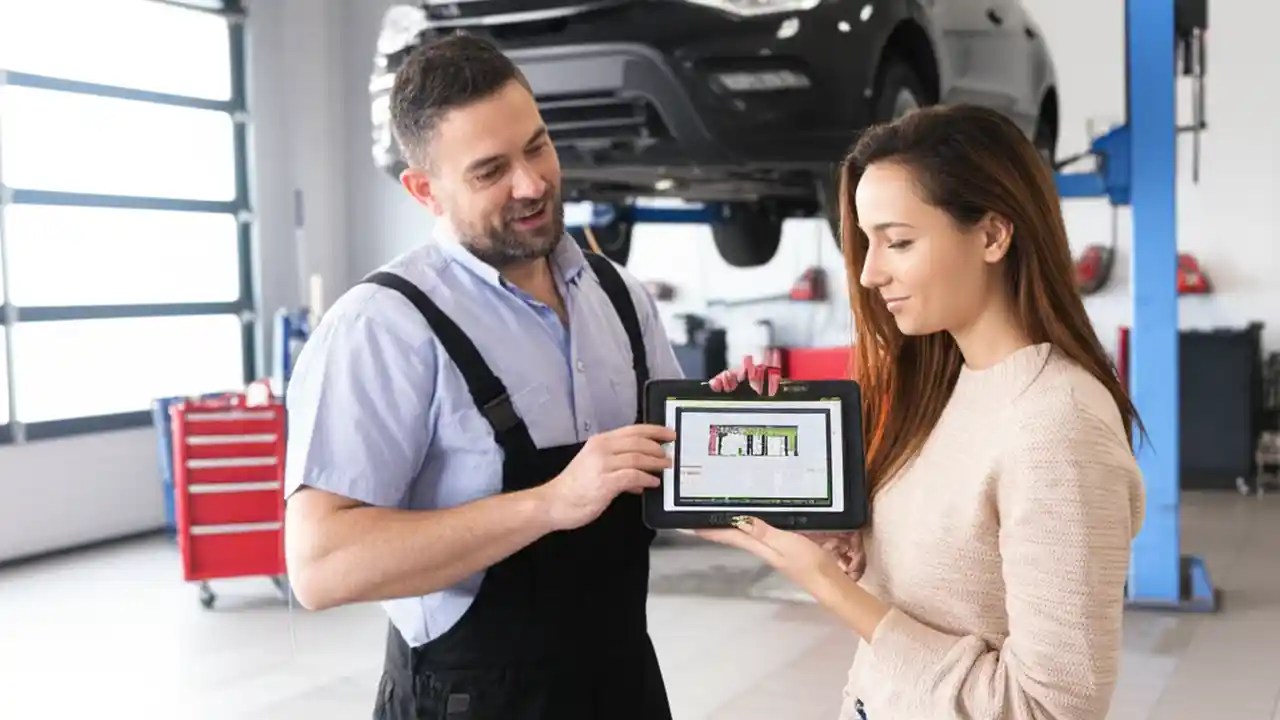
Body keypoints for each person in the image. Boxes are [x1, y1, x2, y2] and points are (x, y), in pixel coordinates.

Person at [281, 33, 685, 720]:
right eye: (490, 170)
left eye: (537, 146)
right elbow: (320, 566)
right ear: (424, 190)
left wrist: (776, 467)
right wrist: (549, 504)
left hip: (621, 683)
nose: (530, 183)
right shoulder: (384, 327)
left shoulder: (619, 295)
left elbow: (677, 469)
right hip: (474, 700)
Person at [701, 104, 1146, 720]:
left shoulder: (1058, 427)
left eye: (899, 242)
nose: (868, 272)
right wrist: (843, 542)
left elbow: (1050, 708)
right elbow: (949, 588)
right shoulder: (948, 386)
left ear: (992, 234)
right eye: (865, 241)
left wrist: (825, 585)